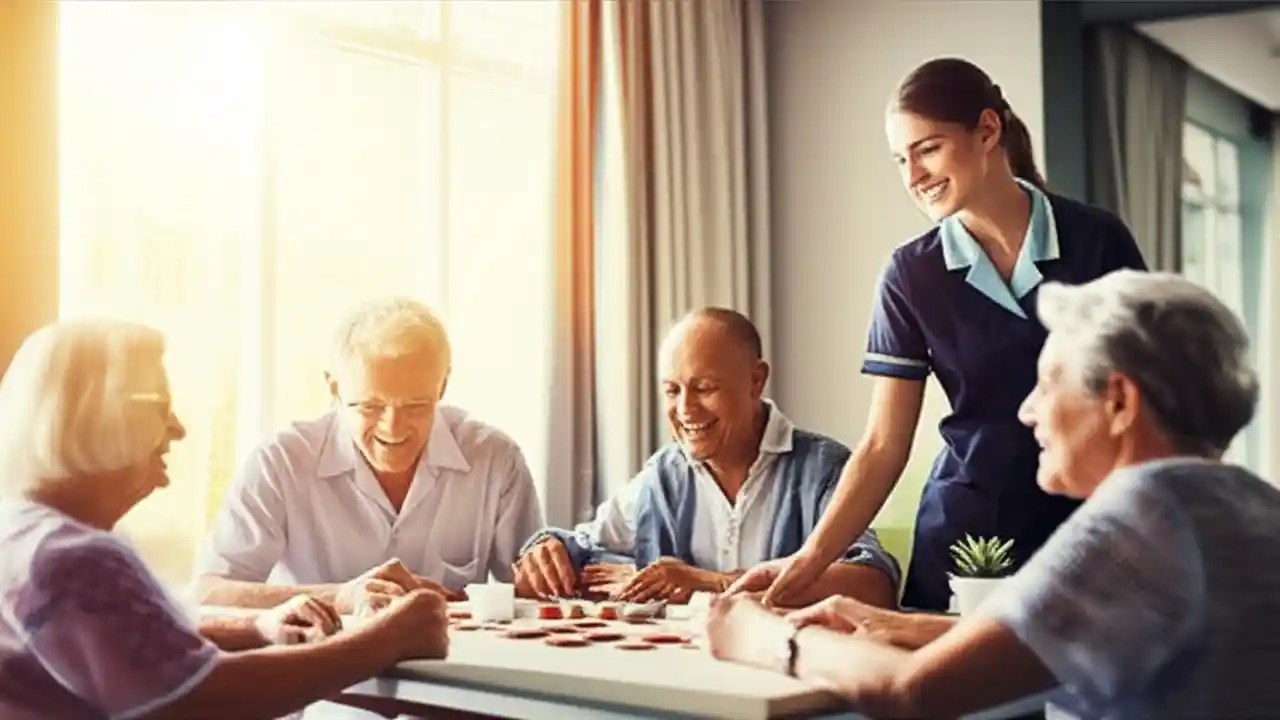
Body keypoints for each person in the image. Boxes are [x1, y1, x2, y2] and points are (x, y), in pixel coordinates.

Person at [707, 271, 1280, 718]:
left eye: (1049, 382)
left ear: (1120, 402)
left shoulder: (1141, 513)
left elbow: (914, 695)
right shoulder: (1249, 507)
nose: (1028, 411)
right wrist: (912, 627)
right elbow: (1088, 640)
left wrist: (767, 637)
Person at [732, 57, 1147, 611]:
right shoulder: (911, 274)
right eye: (901, 159)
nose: (913, 176)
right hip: (965, 541)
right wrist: (809, 560)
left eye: (927, 149)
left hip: (1087, 530)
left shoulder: (1097, 242)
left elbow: (1150, 403)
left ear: (987, 131)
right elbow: (883, 445)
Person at [0, 320, 449, 720]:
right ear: (101, 419)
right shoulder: (74, 558)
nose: (177, 429)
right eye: (160, 407)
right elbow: (203, 701)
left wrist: (256, 626)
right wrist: (387, 639)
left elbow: (123, 636)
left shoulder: (24, 533)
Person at [514, 308, 900, 608]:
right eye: (672, 390)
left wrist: (711, 582)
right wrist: (549, 550)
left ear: (756, 380)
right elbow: (584, 546)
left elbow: (874, 585)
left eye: (705, 388)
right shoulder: (663, 476)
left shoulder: (822, 469)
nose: (686, 409)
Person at [194, 297, 543, 613]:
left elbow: (535, 594)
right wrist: (340, 598)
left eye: (417, 405)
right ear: (334, 387)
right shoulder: (281, 462)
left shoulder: (496, 460)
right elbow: (209, 592)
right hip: (320, 675)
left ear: (443, 385)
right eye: (370, 406)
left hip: (458, 672)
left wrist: (548, 574)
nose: (393, 428)